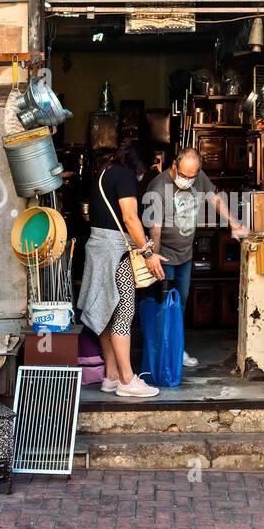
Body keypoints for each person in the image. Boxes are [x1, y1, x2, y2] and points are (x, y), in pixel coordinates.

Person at [143, 147, 248, 368]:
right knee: (167, 304)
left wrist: (233, 222)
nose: (188, 180)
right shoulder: (158, 187)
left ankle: (175, 347)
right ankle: (166, 352)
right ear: (174, 165)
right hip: (166, 256)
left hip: (186, 255)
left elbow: (214, 198)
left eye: (192, 176)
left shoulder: (197, 176)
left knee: (180, 303)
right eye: (184, 175)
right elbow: (155, 229)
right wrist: (154, 257)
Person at [76, 141, 165, 398]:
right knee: (124, 312)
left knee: (106, 311)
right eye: (145, 168)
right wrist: (148, 252)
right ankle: (127, 380)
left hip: (97, 248)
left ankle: (111, 376)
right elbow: (129, 217)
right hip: (116, 252)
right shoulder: (125, 176)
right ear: (139, 163)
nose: (143, 174)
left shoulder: (103, 173)